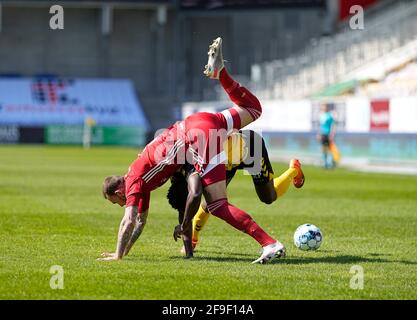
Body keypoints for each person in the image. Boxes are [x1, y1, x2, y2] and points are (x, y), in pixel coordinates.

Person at [99, 37, 302, 264]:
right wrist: (123, 253)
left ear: (118, 193)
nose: (120, 205)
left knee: (216, 205)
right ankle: (221, 75)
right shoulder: (140, 181)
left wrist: (116, 256)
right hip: (196, 122)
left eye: (115, 202)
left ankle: (270, 244)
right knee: (253, 109)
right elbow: (139, 222)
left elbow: (128, 220)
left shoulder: (134, 182)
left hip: (197, 138)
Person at [167, 129, 305, 255]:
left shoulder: (192, 159)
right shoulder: (184, 166)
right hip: (225, 159)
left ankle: (294, 170)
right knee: (212, 200)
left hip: (250, 147)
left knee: (268, 197)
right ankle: (193, 240)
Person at [317, 103, 336, 169]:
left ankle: (330, 163)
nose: (324, 108)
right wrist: (319, 134)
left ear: (327, 108)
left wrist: (332, 134)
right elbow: (320, 126)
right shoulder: (321, 116)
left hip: (328, 134)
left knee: (329, 149)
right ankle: (325, 163)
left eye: (325, 107)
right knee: (323, 149)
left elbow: (333, 125)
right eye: (323, 107)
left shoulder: (329, 116)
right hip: (323, 134)